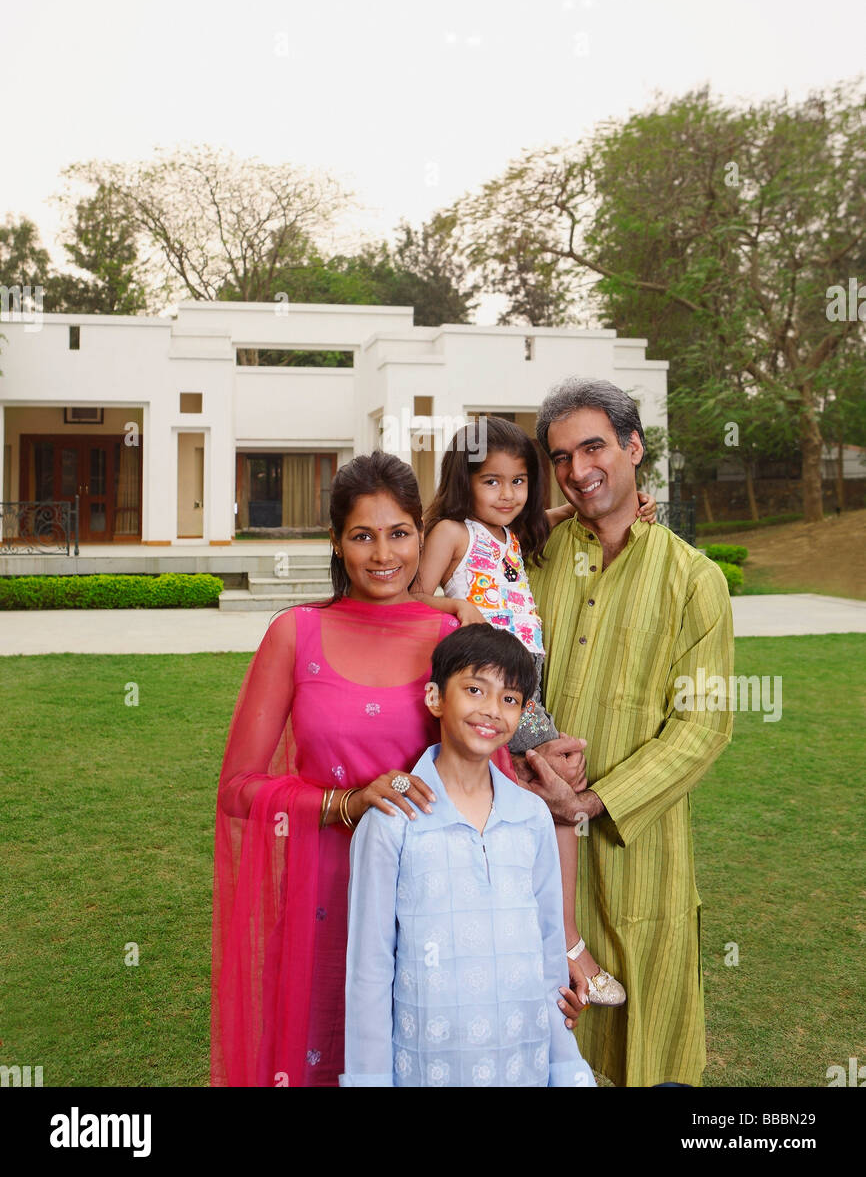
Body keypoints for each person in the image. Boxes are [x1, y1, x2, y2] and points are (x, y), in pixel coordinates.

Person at [210, 450, 581, 1087]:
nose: (384, 555)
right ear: (335, 541)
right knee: (324, 1058)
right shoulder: (295, 635)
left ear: (423, 531)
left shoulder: (450, 634)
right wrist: (343, 804)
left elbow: (489, 760)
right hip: (322, 897)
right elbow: (239, 791)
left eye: (399, 533)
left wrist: (555, 956)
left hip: (441, 911)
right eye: (362, 536)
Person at [521, 378, 734, 1087]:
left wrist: (592, 801)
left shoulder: (692, 580)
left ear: (634, 447)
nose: (579, 468)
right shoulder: (535, 559)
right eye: (561, 457)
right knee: (544, 1052)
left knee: (651, 1062)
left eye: (594, 447)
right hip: (532, 853)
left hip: (642, 859)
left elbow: (703, 725)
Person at [416, 415, 655, 1005]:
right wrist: (456, 604)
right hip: (490, 685)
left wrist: (630, 499)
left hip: (526, 683)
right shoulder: (453, 531)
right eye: (492, 481)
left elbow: (565, 513)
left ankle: (539, 937)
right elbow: (415, 594)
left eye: (519, 481)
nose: (507, 494)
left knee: (545, 797)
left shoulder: (512, 537)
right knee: (564, 799)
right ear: (464, 480)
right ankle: (569, 942)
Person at [340, 624, 596, 1088]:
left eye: (510, 699)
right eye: (475, 689)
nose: (491, 711)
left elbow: (548, 957)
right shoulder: (391, 821)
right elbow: (369, 974)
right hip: (427, 1069)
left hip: (527, 1064)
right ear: (436, 697)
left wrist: (568, 1070)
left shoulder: (533, 817)